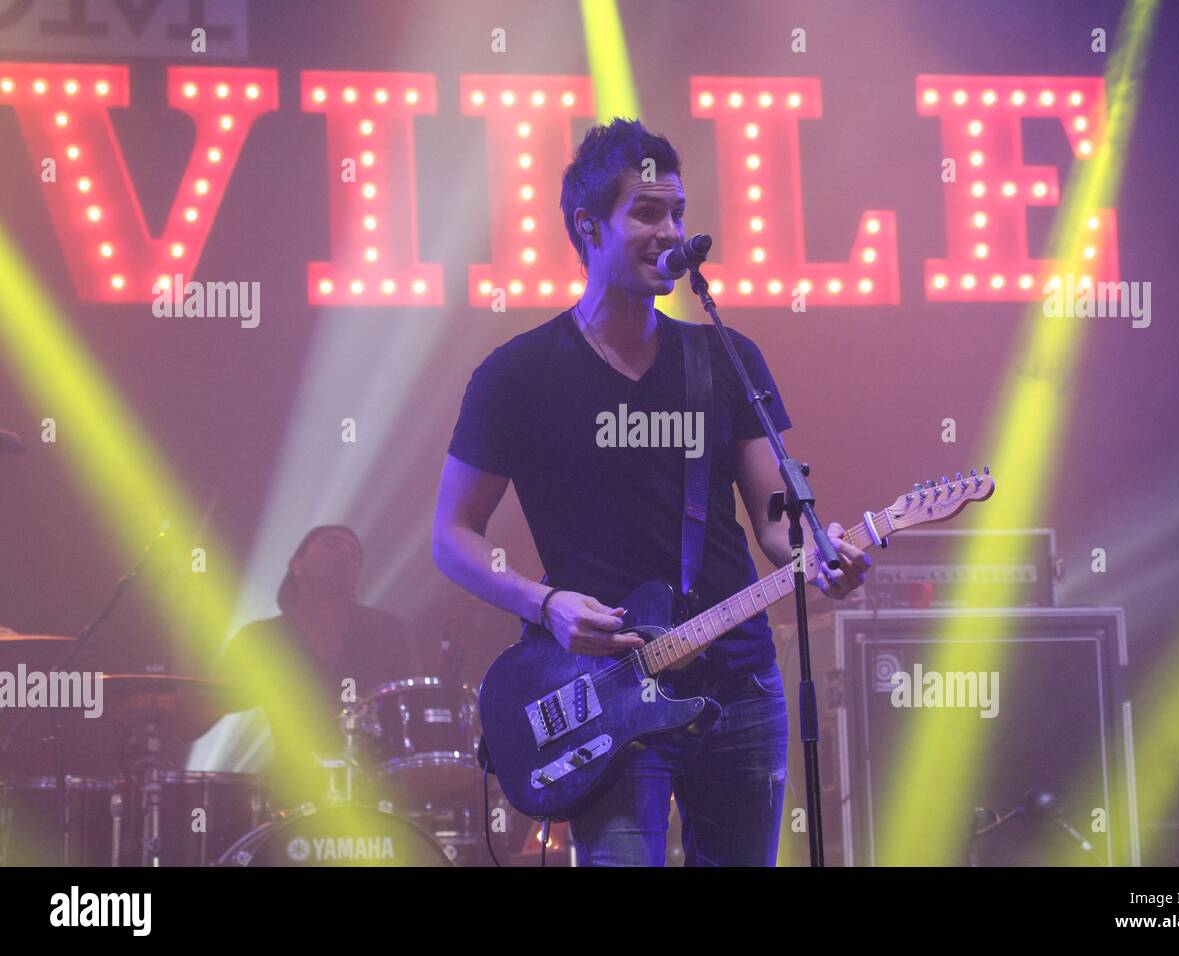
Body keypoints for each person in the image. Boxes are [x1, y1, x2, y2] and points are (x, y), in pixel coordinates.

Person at [432, 118, 870, 866]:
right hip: (606, 687)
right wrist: (544, 604)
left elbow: (775, 528)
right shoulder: (518, 375)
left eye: (678, 214)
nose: (670, 231)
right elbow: (452, 535)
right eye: (645, 212)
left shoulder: (722, 357)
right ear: (587, 226)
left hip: (738, 679)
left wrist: (827, 556)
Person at [220, 525, 412, 806]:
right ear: (296, 564)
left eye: (354, 553)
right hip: (292, 798)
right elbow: (197, 713)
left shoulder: (388, 632)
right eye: (330, 544)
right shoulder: (262, 639)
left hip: (380, 798)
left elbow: (413, 716)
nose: (345, 553)